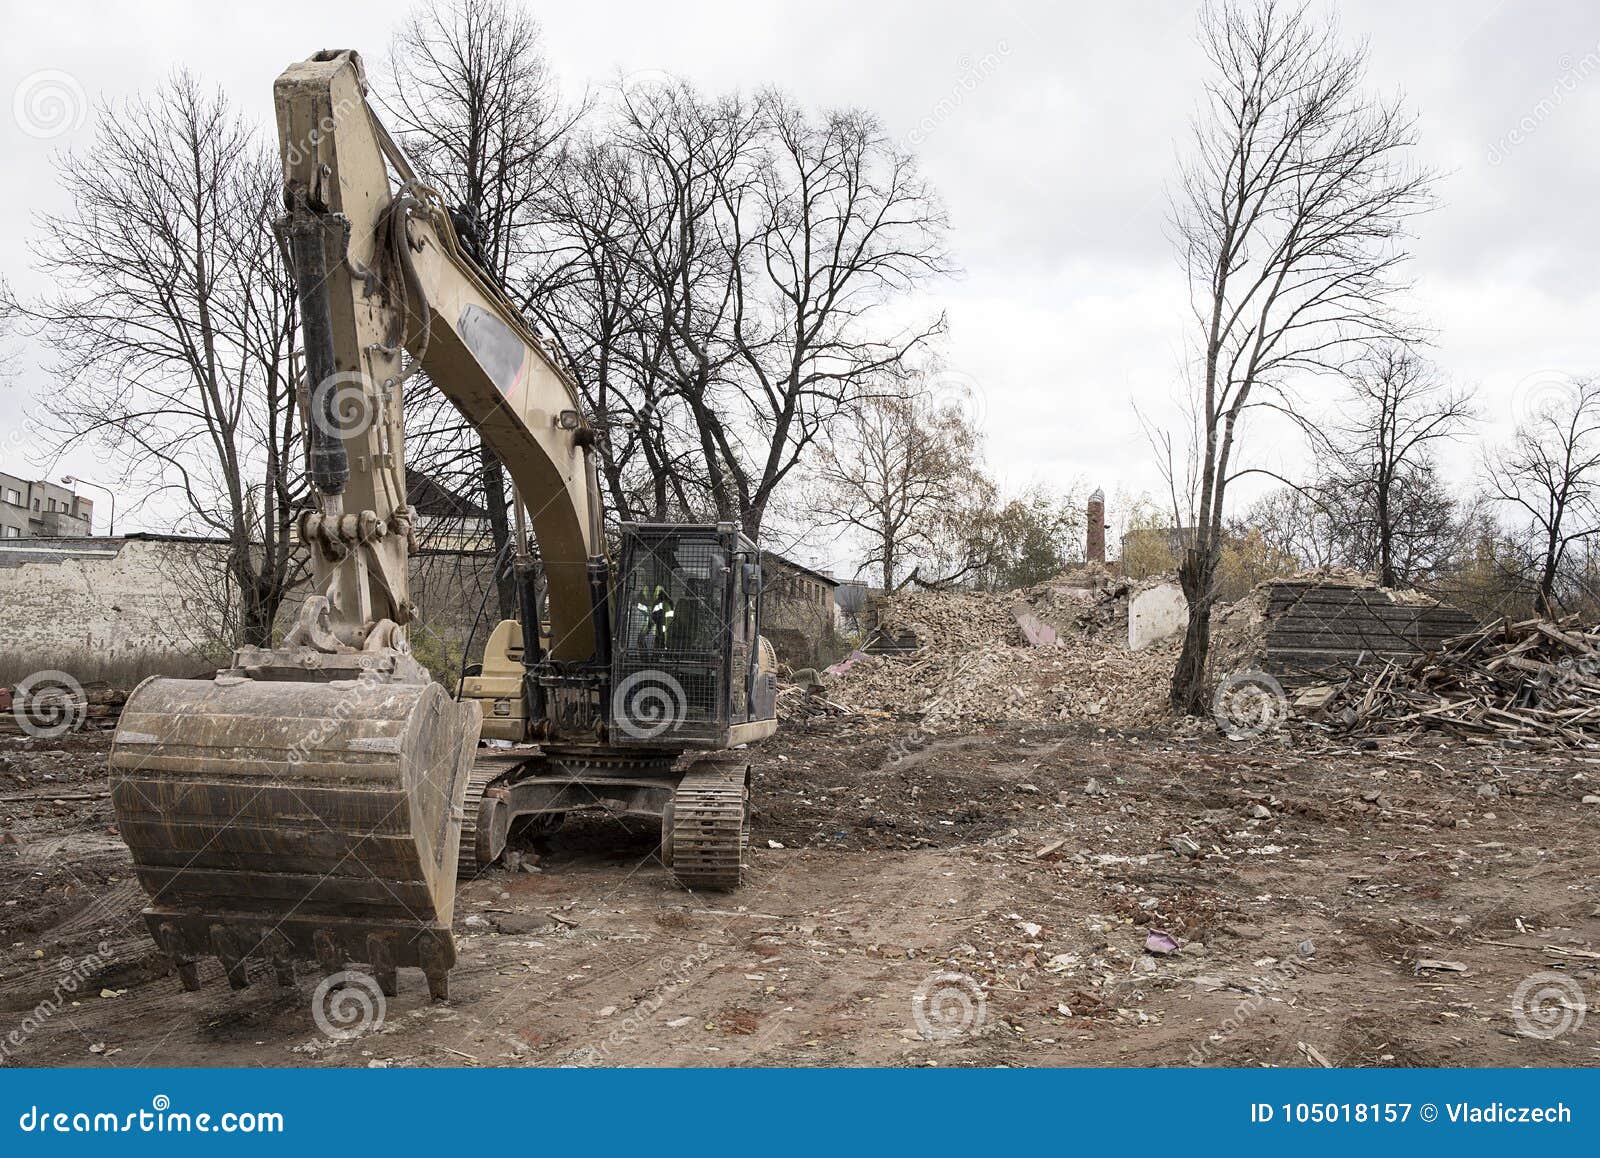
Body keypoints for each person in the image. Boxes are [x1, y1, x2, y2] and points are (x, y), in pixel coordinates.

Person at [635, 583, 675, 650]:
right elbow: (649, 619)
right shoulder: (656, 601)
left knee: (658, 638)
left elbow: (666, 622)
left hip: (662, 629)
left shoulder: (662, 604)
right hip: (661, 629)